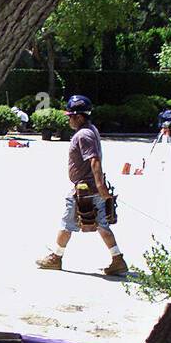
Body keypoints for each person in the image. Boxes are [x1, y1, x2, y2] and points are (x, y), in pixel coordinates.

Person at [36, 94, 128, 276]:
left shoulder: (84, 134)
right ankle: (118, 260)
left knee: (66, 223)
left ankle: (56, 257)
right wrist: (100, 187)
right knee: (102, 224)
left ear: (78, 116)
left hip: (84, 189)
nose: (68, 120)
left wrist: (101, 187)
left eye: (70, 116)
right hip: (92, 187)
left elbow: (94, 160)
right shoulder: (90, 129)